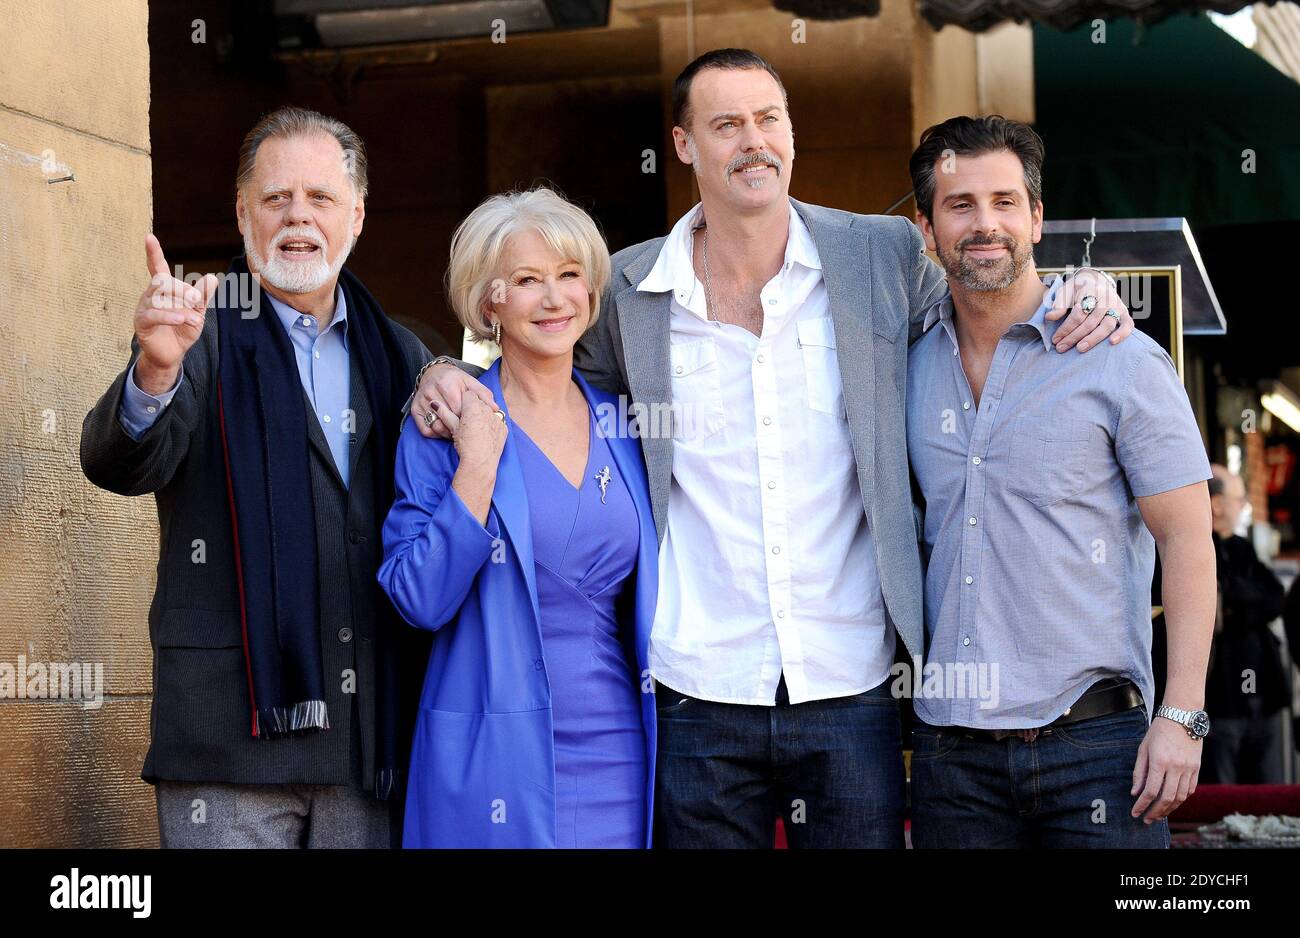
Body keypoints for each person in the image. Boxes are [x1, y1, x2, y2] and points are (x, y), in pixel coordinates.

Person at [408, 49, 1135, 848]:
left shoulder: (881, 255)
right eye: (726, 124)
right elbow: (533, 351)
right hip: (694, 689)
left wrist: (1079, 283)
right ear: (684, 145)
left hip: (853, 680)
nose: (753, 141)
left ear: (790, 133)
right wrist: (446, 366)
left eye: (768, 119)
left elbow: (989, 297)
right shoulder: (625, 291)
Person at [80, 107, 431, 848]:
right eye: (276, 199)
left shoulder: (400, 353)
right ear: (243, 214)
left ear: (357, 216)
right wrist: (155, 369)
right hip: (224, 736)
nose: (297, 216)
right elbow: (118, 463)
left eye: (320, 198)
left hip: (365, 741)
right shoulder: (196, 332)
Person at [905, 115, 1216, 848]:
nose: (986, 225)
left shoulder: (1120, 359)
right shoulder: (908, 364)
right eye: (960, 205)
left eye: (1006, 202)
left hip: (1098, 748)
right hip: (953, 756)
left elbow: (1188, 539)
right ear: (925, 228)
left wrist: (1183, 715)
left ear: (1038, 218)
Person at [378, 188, 658, 848]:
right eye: (528, 281)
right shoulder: (443, 422)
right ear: (490, 300)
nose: (555, 299)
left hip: (619, 745)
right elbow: (417, 598)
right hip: (489, 747)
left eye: (569, 276)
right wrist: (477, 467)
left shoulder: (627, 419)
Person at [1203, 465, 1289, 784]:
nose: (1244, 506)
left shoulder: (1242, 547)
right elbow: (1216, 606)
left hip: (1263, 698)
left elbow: (1275, 597)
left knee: (1270, 801)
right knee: (1221, 810)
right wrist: (1246, 601)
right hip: (1221, 700)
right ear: (1217, 504)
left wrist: (1239, 602)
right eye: (1239, 498)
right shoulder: (1196, 548)